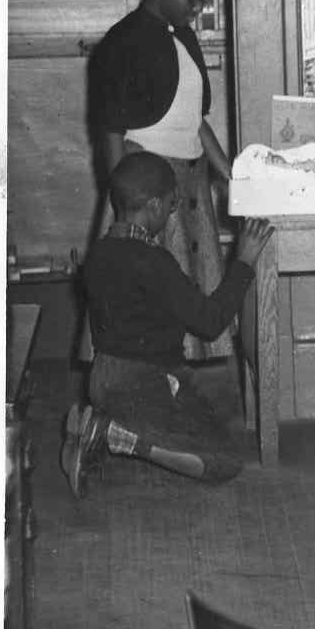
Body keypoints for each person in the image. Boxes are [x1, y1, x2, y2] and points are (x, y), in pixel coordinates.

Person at [61, 152, 271, 496]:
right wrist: (243, 261)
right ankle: (116, 434)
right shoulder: (154, 261)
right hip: (142, 384)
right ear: (155, 207)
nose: (173, 212)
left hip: (104, 378)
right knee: (225, 461)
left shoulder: (99, 253)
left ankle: (103, 428)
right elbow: (210, 322)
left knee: (203, 423)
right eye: (173, 206)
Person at [86, 0, 236, 360]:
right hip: (146, 188)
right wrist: (125, 209)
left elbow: (195, 120)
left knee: (194, 297)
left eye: (205, 1)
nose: (199, 8)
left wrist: (228, 174)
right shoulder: (120, 43)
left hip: (189, 183)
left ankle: (179, 383)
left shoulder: (185, 37)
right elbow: (111, 131)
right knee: (151, 305)